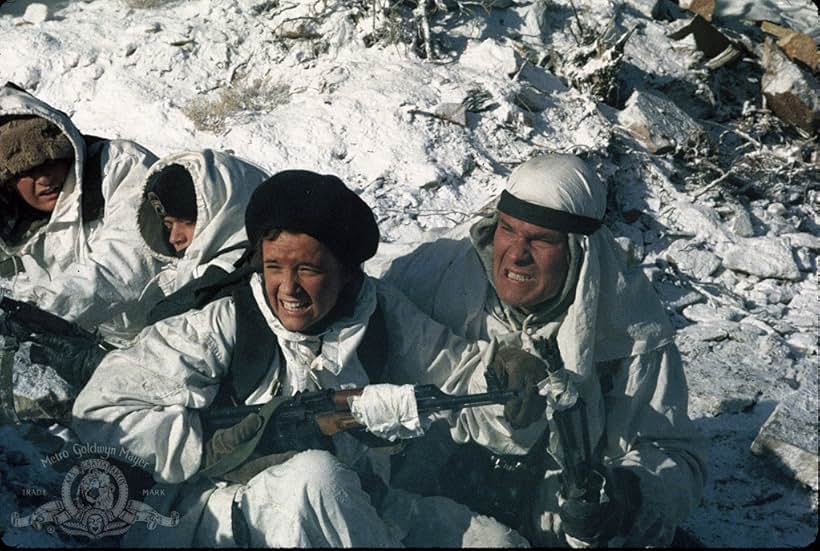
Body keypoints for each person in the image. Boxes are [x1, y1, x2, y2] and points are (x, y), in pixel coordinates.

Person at [71, 170, 536, 547]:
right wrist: (216, 445)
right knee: (313, 478)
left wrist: (506, 380)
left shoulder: (381, 315)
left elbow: (455, 375)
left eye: (308, 269)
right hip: (218, 516)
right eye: (275, 267)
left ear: (347, 272)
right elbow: (103, 412)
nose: (287, 289)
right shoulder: (223, 323)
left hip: (358, 500)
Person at [382, 154, 708, 547]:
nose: (516, 253)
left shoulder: (629, 326)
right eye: (507, 230)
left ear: (578, 252)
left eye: (541, 240)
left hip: (556, 517)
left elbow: (676, 457)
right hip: (440, 498)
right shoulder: (432, 277)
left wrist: (624, 495)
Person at [0, 82, 162, 346]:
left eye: (50, 160)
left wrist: (44, 312)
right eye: (27, 170)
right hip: (99, 345)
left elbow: (128, 263)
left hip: (168, 330)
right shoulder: (16, 218)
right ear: (8, 179)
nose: (44, 179)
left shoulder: (119, 166)